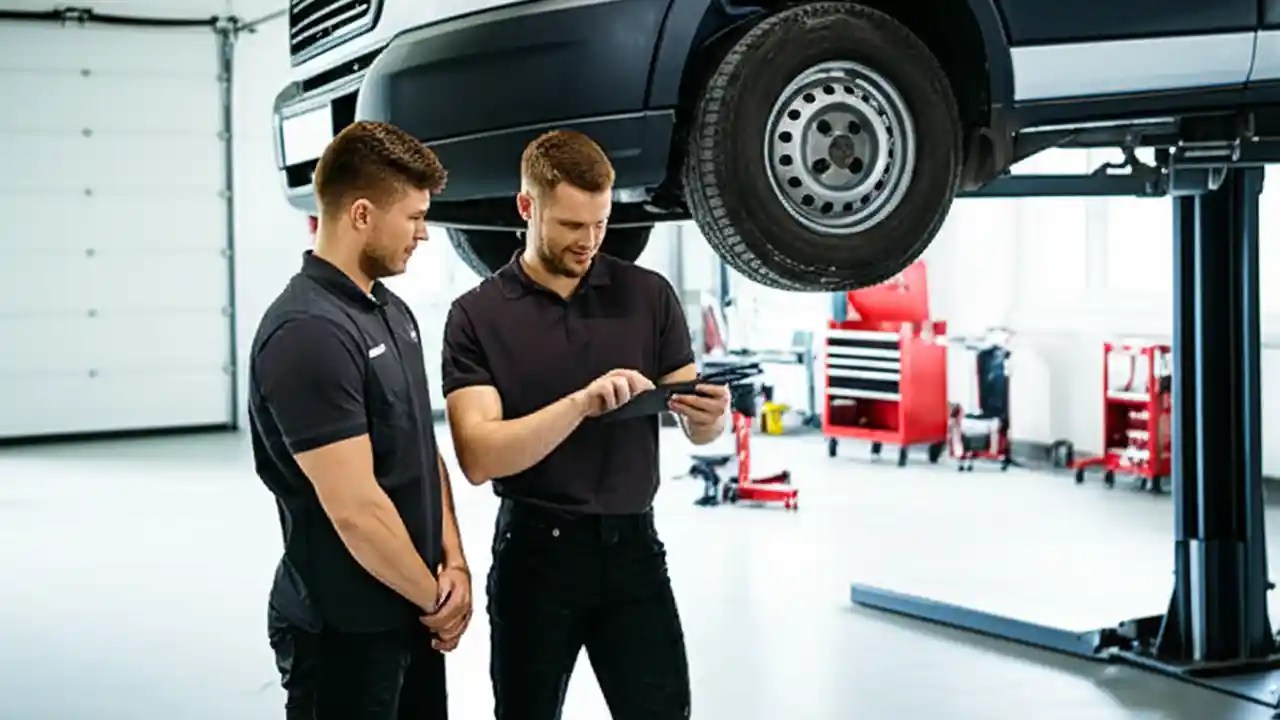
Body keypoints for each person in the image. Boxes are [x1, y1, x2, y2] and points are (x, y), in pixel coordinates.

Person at [441, 129, 731, 720]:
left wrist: (710, 422)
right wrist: (580, 405)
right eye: (572, 225)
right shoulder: (476, 315)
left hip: (635, 554)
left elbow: (697, 426)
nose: (590, 241)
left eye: (600, 223)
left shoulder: (649, 296)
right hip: (536, 557)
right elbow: (479, 456)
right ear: (527, 207)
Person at [248, 120, 472, 719]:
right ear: (363, 215)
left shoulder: (391, 312)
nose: (424, 235)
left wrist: (455, 562)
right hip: (344, 633)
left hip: (411, 613)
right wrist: (436, 600)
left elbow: (422, 454)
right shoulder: (307, 334)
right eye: (415, 217)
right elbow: (355, 508)